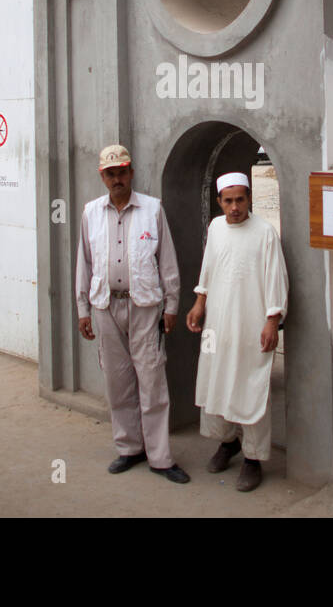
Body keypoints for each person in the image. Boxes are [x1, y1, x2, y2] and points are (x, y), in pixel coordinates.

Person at [75, 144, 190, 483]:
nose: (117, 179)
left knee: (152, 380)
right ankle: (129, 448)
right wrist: (82, 309)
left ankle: (160, 457)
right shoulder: (91, 213)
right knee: (117, 381)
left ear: (131, 173)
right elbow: (84, 263)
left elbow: (166, 261)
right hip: (105, 306)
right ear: (102, 177)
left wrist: (172, 305)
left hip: (145, 307)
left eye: (122, 172)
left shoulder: (152, 209)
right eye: (110, 174)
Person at [186, 172, 288, 492]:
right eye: (228, 201)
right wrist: (199, 303)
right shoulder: (216, 228)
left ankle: (253, 458)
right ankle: (228, 442)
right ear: (219, 201)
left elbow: (276, 278)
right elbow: (208, 268)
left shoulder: (265, 232)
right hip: (218, 324)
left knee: (251, 387)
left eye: (240, 200)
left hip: (251, 326)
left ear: (249, 199)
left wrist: (272, 320)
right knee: (217, 382)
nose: (234, 207)